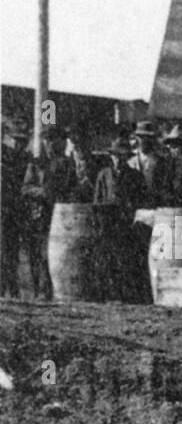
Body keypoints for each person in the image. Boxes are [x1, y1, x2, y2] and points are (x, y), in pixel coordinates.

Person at [22, 124, 88, 299]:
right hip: (39, 214)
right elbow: (26, 188)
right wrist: (41, 192)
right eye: (47, 140)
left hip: (59, 216)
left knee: (54, 255)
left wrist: (66, 197)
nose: (50, 144)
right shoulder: (36, 164)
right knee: (36, 254)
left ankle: (51, 291)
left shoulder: (67, 164)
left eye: (54, 140)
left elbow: (73, 187)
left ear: (61, 142)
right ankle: (38, 290)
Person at [1, 118, 32, 298]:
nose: (20, 144)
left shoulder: (26, 159)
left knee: (12, 251)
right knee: (4, 250)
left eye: (23, 141)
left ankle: (13, 288)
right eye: (16, 140)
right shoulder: (5, 156)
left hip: (16, 208)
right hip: (5, 207)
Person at [92, 137, 146, 210]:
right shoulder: (103, 175)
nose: (118, 159)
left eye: (121, 156)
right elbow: (97, 202)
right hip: (107, 216)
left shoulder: (136, 176)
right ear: (111, 156)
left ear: (127, 157)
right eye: (115, 155)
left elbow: (141, 202)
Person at [128, 121, 172, 207]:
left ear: (152, 139)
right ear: (137, 138)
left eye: (148, 137)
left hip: (156, 207)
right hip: (135, 208)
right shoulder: (130, 162)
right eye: (141, 137)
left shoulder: (161, 162)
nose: (144, 140)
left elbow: (165, 187)